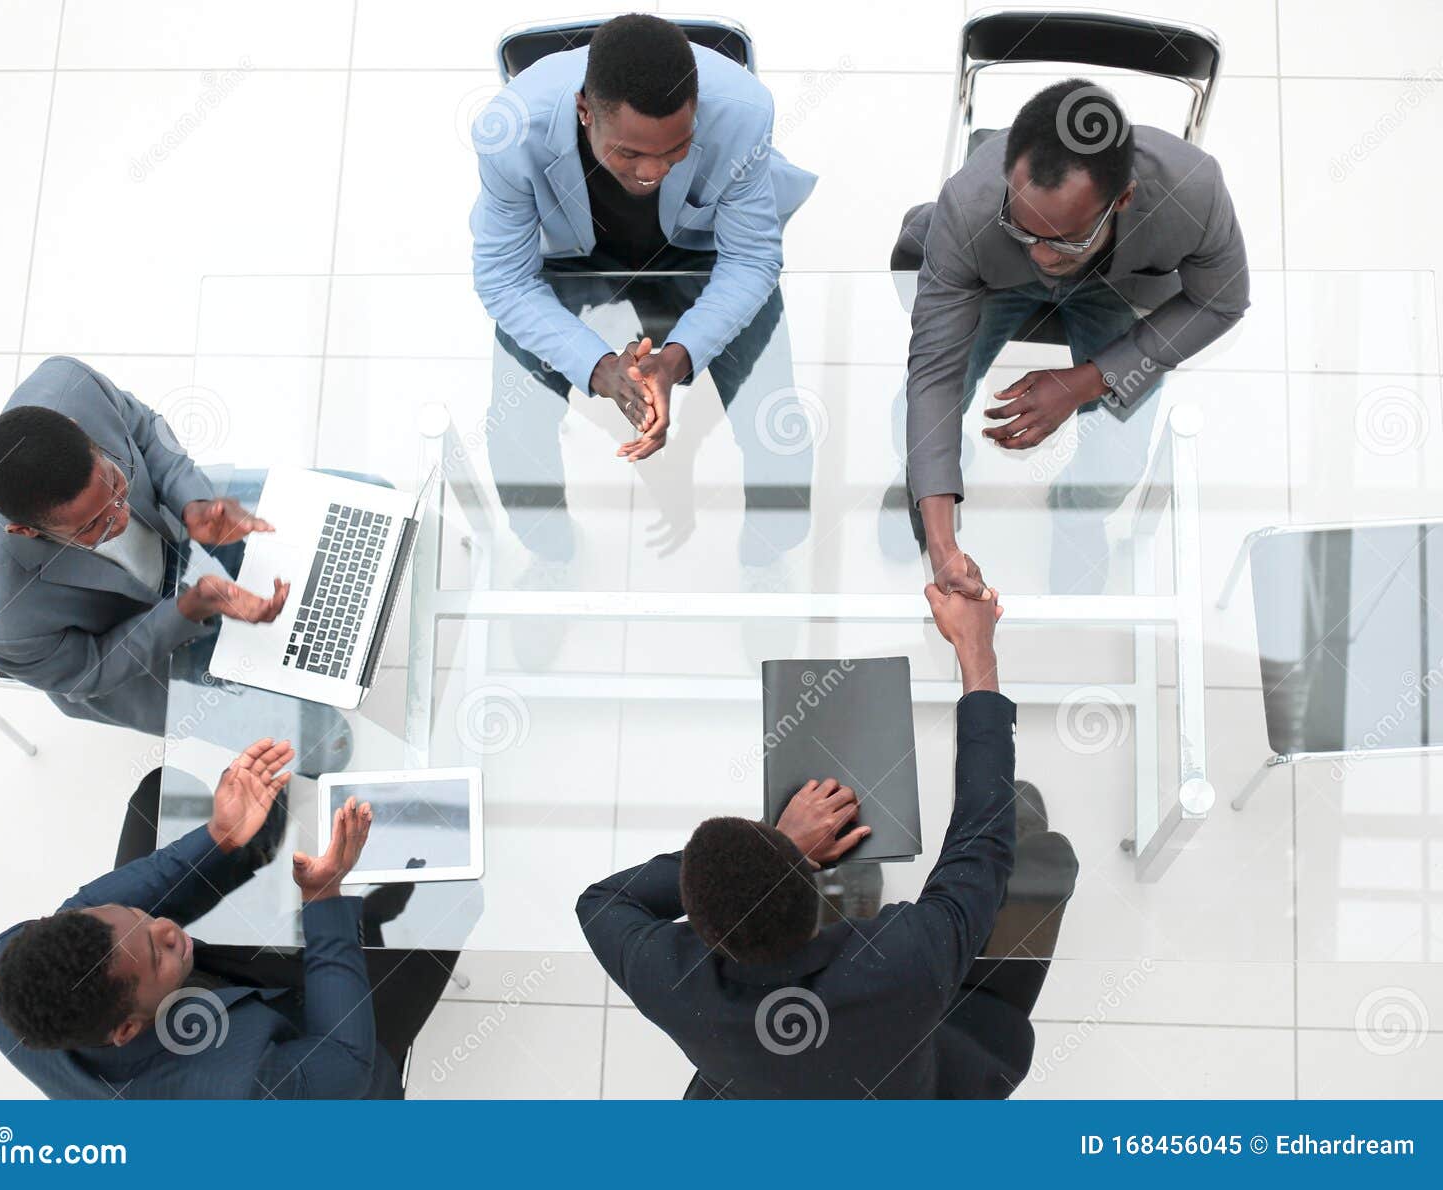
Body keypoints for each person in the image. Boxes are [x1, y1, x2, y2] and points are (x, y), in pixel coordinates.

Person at [576, 584, 1079, 1099]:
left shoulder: (680, 987)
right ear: (803, 886)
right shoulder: (906, 956)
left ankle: (848, 897)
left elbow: (599, 902)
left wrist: (782, 854)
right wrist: (977, 650)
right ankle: (854, 894)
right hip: (929, 1069)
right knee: (1049, 857)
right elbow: (981, 847)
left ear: (703, 934)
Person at [470, 14, 818, 623]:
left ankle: (767, 557)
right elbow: (504, 279)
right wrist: (600, 369)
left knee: (779, 429)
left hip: (698, 250)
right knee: (513, 433)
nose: (651, 172)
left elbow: (752, 259)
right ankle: (550, 554)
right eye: (627, 153)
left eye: (675, 151)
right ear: (584, 110)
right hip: (569, 257)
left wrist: (675, 358)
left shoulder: (743, 112)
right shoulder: (509, 133)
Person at [891, 80, 1249, 596]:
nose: (1041, 256)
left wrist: (1086, 382)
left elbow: (1222, 300)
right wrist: (942, 544)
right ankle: (928, 490)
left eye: (1065, 239)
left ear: (1122, 198)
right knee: (911, 410)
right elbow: (935, 375)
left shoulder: (1193, 189)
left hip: (1118, 289)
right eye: (1024, 231)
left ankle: (1076, 515)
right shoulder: (968, 207)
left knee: (1118, 464)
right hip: (991, 279)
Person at [0, 739, 456, 1099]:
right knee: (446, 906)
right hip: (324, 1077)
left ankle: (256, 840)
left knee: (158, 794)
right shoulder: (235, 1090)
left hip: (193, 994)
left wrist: (223, 833)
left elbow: (136, 901)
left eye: (137, 918)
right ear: (127, 1030)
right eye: (156, 953)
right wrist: (324, 896)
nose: (166, 929)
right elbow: (345, 1065)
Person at [0, 355, 289, 735]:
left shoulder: (72, 387)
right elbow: (93, 669)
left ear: (80, 430)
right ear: (25, 532)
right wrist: (188, 608)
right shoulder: (0, 625)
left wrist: (193, 503)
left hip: (172, 526)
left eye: (113, 483)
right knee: (289, 728)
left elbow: (144, 430)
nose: (122, 516)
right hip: (129, 643)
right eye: (94, 525)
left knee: (307, 547)